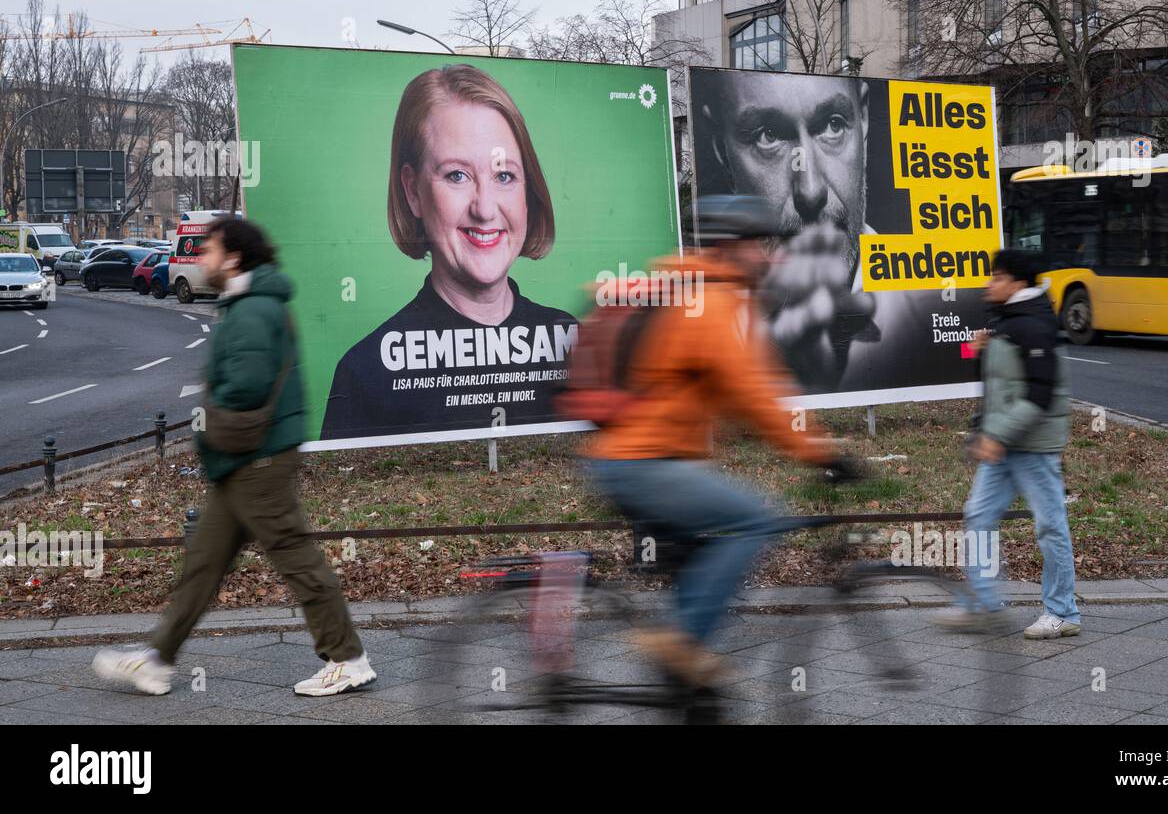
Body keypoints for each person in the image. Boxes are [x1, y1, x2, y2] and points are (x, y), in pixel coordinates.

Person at [582, 195, 861, 685]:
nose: (771, 257)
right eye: (761, 245)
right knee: (756, 520)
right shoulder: (710, 304)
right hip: (644, 464)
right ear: (732, 247)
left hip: (637, 460)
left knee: (702, 557)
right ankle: (682, 645)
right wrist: (823, 453)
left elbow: (729, 397)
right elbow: (752, 395)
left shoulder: (692, 289)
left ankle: (684, 690)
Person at [93, 217, 376, 696]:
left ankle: (347, 658)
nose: (201, 259)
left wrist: (212, 406)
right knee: (203, 564)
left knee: (295, 556)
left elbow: (246, 384)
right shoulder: (250, 304)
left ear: (235, 258)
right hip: (245, 459)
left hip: (257, 458)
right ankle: (157, 661)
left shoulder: (252, 310)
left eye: (209, 250)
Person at [321, 64, 578, 441]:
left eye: (503, 176)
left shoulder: (573, 343)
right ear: (413, 191)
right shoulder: (366, 373)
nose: (485, 209)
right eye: (457, 175)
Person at [693, 68, 987, 395]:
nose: (810, 190)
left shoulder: (946, 310)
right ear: (721, 148)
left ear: (862, 119)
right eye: (767, 136)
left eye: (833, 125)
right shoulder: (701, 339)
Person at [933, 248, 1081, 639]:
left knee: (1050, 527)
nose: (989, 283)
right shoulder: (1009, 320)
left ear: (1016, 284)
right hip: (1003, 443)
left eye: (997, 277)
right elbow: (1000, 386)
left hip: (1033, 445)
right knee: (979, 517)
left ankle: (1063, 612)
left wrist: (996, 435)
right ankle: (982, 604)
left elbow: (1040, 393)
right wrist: (982, 355)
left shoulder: (1034, 326)